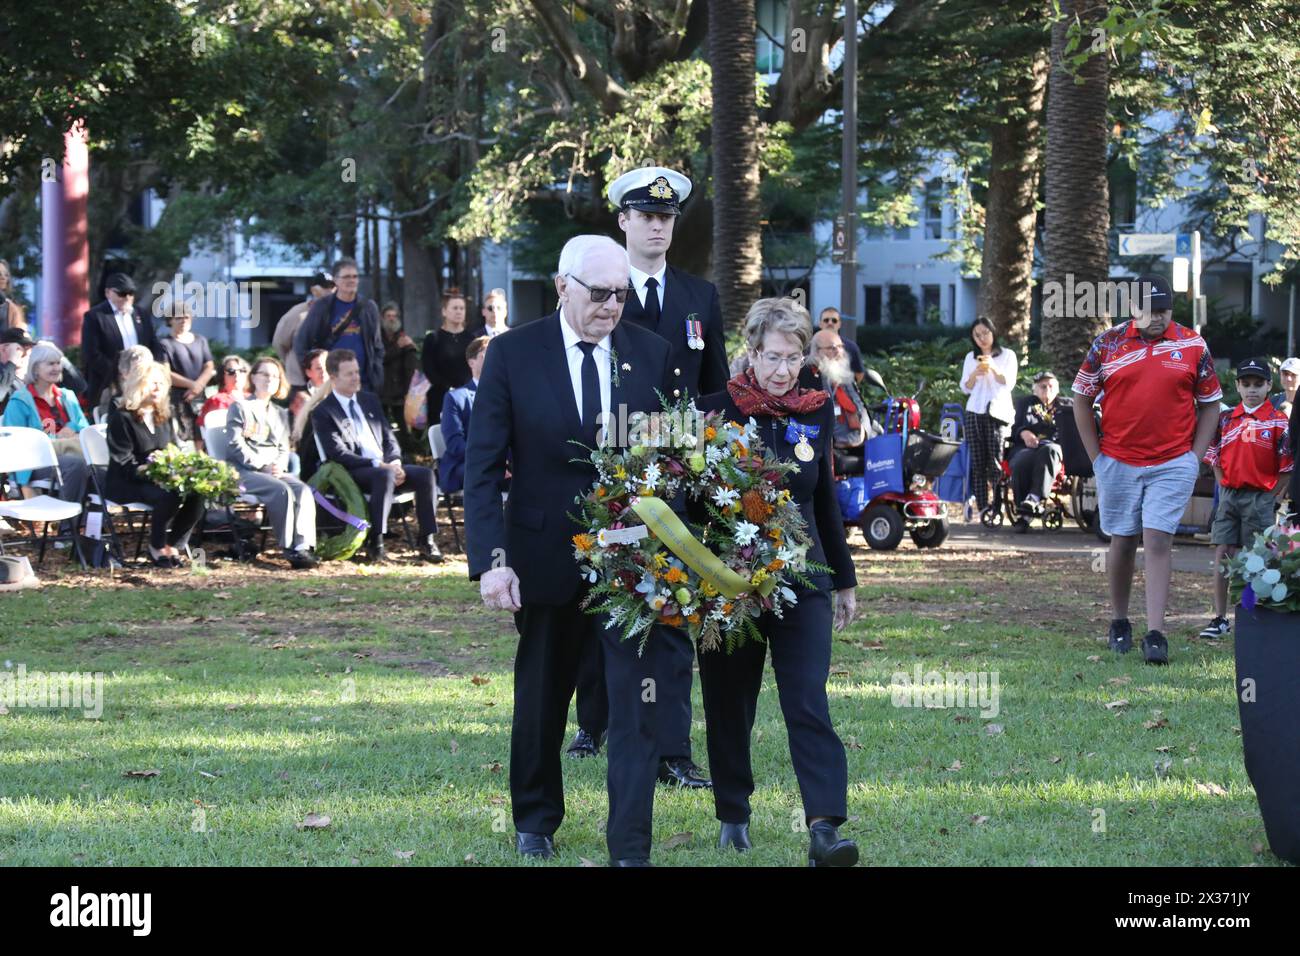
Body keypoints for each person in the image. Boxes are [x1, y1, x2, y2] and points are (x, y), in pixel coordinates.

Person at [465, 234, 674, 866]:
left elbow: (664, 460)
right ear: (562, 287)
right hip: (541, 558)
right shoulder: (512, 354)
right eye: (600, 293)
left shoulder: (652, 353)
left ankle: (629, 844)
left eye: (622, 293)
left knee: (636, 703)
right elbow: (482, 468)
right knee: (542, 696)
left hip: (630, 560)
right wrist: (491, 564)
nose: (613, 305)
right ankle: (535, 820)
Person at [568, 166, 729, 787]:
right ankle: (595, 720)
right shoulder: (598, 291)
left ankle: (673, 749)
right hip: (607, 470)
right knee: (601, 598)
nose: (658, 226)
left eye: (666, 218)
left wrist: (713, 456)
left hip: (678, 476)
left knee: (673, 610)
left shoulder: (699, 296)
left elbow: (712, 389)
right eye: (646, 216)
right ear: (624, 222)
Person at [694, 297, 859, 866]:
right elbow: (693, 501)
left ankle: (824, 827)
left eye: (793, 357)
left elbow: (826, 499)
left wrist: (844, 578)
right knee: (729, 700)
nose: (784, 370)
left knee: (808, 699)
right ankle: (733, 814)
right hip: (729, 584)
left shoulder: (816, 410)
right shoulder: (714, 410)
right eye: (772, 357)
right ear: (751, 353)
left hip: (804, 579)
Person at [1073, 274, 1222, 665]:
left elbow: (1210, 403)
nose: (1156, 318)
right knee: (1122, 540)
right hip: (1118, 459)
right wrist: (1097, 458)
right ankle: (1120, 621)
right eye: (1147, 310)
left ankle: (1156, 632)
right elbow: (1081, 398)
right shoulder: (1108, 343)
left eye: (1163, 309)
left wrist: (1194, 457)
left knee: (1158, 540)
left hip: (1172, 461)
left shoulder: (1191, 343)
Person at [311, 348, 443, 564]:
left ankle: (426, 540)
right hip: (354, 471)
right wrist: (380, 465)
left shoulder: (369, 400)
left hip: (386, 467)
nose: (356, 378)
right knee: (384, 477)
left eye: (356, 371)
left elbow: (389, 439)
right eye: (349, 374)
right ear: (333, 378)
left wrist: (395, 462)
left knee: (425, 475)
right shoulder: (324, 411)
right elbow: (338, 454)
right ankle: (376, 542)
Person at [1200, 359, 1291, 640]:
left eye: (1258, 384)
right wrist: (1221, 483)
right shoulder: (1227, 419)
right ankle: (1219, 617)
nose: (1252, 390)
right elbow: (1213, 452)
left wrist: (1273, 495)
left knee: (1257, 556)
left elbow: (1287, 464)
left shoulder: (1278, 421)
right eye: (1246, 384)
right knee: (1223, 551)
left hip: (1260, 497)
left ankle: (1251, 613)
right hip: (1229, 494)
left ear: (1268, 386)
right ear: (1237, 386)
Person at [105, 362, 206, 568]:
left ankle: (174, 543)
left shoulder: (164, 416)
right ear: (137, 385)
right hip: (127, 481)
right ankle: (156, 545)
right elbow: (123, 461)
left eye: (161, 383)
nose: (158, 388)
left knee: (198, 493)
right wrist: (154, 472)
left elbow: (172, 451)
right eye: (152, 383)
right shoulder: (122, 417)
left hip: (159, 478)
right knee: (170, 493)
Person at [226, 357, 319, 570]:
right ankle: (289, 549)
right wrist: (262, 466)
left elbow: (283, 447)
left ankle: (303, 545)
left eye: (275, 376)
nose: (270, 379)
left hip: (273, 470)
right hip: (244, 471)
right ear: (254, 378)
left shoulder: (279, 412)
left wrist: (278, 465)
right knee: (282, 491)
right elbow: (235, 445)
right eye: (265, 374)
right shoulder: (240, 408)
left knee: (302, 490)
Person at [3, 341, 91, 527]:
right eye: (50, 364)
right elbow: (17, 443)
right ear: (35, 368)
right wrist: (53, 438)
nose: (56, 368)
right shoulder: (20, 400)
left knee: (98, 467)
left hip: (71, 453)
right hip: (36, 462)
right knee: (77, 465)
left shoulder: (67, 396)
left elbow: (85, 426)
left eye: (58, 363)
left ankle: (92, 527)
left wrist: (71, 426)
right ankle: (68, 530)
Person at [293, 258, 384, 395]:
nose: (351, 280)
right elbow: (301, 343)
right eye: (346, 276)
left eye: (355, 276)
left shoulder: (369, 307)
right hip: (332, 384)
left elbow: (377, 346)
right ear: (335, 280)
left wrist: (376, 372)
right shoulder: (322, 307)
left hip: (363, 384)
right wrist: (314, 373)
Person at [960, 316, 1018, 521]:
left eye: (985, 333)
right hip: (974, 411)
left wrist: (992, 366)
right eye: (977, 335)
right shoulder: (970, 358)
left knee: (995, 461)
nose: (982, 338)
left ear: (993, 333)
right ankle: (983, 508)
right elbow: (965, 388)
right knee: (978, 462)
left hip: (998, 413)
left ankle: (998, 506)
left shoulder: (1007, 356)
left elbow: (1008, 383)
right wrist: (975, 373)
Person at [80, 273, 162, 408]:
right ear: (108, 293)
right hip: (109, 383)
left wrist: (153, 369)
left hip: (142, 382)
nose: (127, 298)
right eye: (122, 293)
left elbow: (153, 343)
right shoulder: (95, 316)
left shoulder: (141, 314)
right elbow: (91, 353)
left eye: (130, 293)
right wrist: (120, 373)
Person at [808, 328, 875, 476]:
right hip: (830, 449)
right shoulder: (810, 377)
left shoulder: (845, 374)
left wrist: (864, 430)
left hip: (858, 443)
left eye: (840, 347)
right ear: (817, 351)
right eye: (832, 348)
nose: (839, 352)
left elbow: (861, 407)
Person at [1008, 370, 1072, 522]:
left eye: (1051, 386)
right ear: (1034, 389)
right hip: (1027, 447)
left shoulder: (1066, 405)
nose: (1047, 390)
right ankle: (1023, 509)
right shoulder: (1025, 403)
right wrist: (1023, 432)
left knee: (1050, 450)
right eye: (1043, 386)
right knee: (1021, 461)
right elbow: (1014, 427)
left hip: (1054, 449)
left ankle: (1034, 498)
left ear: (1057, 388)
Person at [157, 301, 216, 445]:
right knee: (181, 437)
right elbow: (165, 372)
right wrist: (192, 385)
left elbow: (209, 366)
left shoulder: (201, 340)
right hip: (177, 398)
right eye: (178, 317)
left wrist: (198, 386)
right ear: (170, 320)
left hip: (200, 397)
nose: (183, 321)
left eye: (186, 317)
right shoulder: (164, 344)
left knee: (202, 436)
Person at [438, 336, 489, 495]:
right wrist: (489, 458)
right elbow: (455, 444)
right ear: (471, 362)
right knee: (487, 474)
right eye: (486, 354)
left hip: (502, 465)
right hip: (466, 464)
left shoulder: (506, 395)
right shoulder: (456, 398)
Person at [273, 272, 335, 393]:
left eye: (331, 287)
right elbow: (279, 343)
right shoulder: (298, 313)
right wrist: (294, 364)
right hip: (300, 382)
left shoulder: (339, 314)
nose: (329, 291)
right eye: (324, 287)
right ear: (313, 290)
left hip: (330, 381)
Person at [421, 289, 474, 427]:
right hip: (440, 399)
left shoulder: (472, 339)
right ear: (444, 311)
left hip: (467, 397)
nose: (459, 311)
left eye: (462, 308)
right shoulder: (433, 339)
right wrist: (448, 388)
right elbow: (428, 369)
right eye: (455, 308)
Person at [379, 302, 419, 450]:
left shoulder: (403, 337)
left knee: (403, 425)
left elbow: (411, 365)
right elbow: (380, 358)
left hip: (399, 390)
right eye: (388, 316)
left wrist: (410, 347)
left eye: (394, 316)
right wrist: (398, 348)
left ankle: (407, 451)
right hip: (381, 388)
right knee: (381, 425)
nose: (391, 319)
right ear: (382, 318)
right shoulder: (377, 338)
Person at [199, 355, 250, 427]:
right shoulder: (217, 400)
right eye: (231, 371)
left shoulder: (254, 399)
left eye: (242, 370)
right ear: (222, 376)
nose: (237, 374)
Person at [817, 307, 865, 384]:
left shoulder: (851, 347)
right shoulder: (810, 347)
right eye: (826, 320)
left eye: (834, 320)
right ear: (820, 324)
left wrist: (846, 387)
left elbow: (859, 373)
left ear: (839, 324)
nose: (830, 323)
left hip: (842, 393)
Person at [0, 326, 34, 415]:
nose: (26, 354)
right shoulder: (6, 376)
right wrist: (12, 361)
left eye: (29, 349)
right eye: (21, 349)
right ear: (3, 349)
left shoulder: (28, 378)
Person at [0, 259, 28, 330]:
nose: (3, 278)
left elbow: (19, 331)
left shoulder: (12, 308)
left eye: (6, 275)